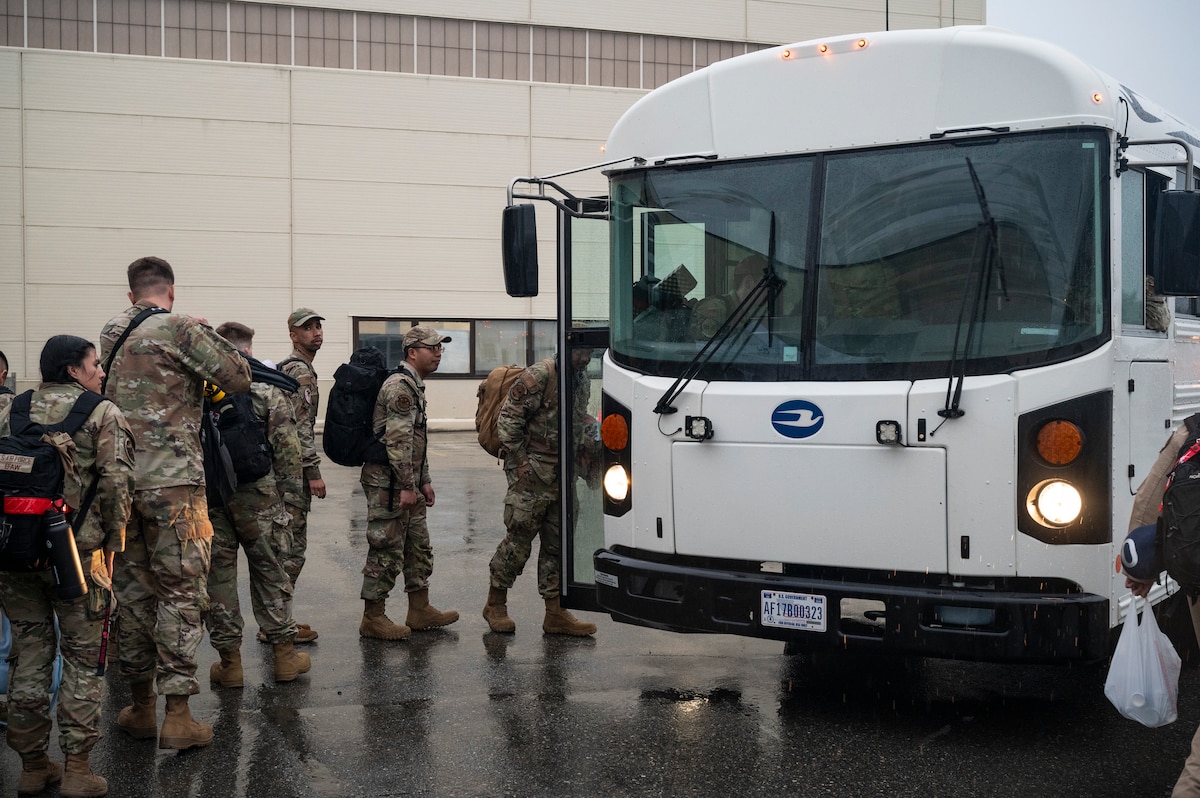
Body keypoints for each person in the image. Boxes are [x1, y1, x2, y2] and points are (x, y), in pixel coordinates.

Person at [100, 256, 251, 751]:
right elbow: (238, 377)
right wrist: (207, 335)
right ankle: (179, 716)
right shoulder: (181, 327)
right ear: (172, 290)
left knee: (135, 595)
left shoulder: (111, 330)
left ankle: (141, 707)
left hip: (122, 484)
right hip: (176, 487)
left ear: (131, 294)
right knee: (182, 594)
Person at [0, 335, 134, 797]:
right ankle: (78, 768)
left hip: (14, 553)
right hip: (79, 556)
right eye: (94, 364)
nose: (100, 372)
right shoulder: (102, 412)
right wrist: (115, 545)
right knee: (82, 661)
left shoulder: (9, 409)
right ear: (74, 370)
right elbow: (117, 485)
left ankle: (34, 765)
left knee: (29, 654)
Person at [205, 322, 311, 687]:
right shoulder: (266, 387)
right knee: (270, 571)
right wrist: (287, 502)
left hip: (213, 496)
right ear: (248, 350)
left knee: (218, 579)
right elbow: (288, 450)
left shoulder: (198, 389)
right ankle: (284, 658)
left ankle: (230, 664)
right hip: (260, 495)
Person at [482, 348, 598, 636]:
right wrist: (521, 465)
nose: (586, 359)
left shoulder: (581, 379)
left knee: (559, 544)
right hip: (533, 473)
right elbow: (508, 421)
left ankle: (555, 613)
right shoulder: (540, 375)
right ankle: (495, 604)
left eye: (591, 353)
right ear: (567, 346)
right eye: (582, 352)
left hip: (562, 473)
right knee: (519, 539)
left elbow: (575, 418)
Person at [358, 325, 460, 640]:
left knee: (418, 545)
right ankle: (373, 617)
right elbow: (398, 442)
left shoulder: (415, 385)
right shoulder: (401, 387)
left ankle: (420, 608)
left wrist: (423, 481)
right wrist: (406, 485)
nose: (439, 352)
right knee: (386, 547)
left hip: (406, 480)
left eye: (441, 347)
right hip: (389, 482)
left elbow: (417, 441)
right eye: (433, 347)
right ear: (412, 352)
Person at [276, 308, 326, 644]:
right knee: (290, 550)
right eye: (307, 328)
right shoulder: (299, 371)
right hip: (293, 474)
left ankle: (280, 620)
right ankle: (278, 625)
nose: (316, 332)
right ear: (293, 335)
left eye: (318, 326)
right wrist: (313, 471)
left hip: (286, 470)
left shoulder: (292, 368)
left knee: (287, 548)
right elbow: (301, 427)